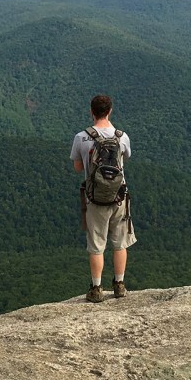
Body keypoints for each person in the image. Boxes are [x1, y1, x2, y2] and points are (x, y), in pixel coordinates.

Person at [70, 94, 136, 303]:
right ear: (110, 111)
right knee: (120, 242)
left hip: (94, 198)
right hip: (119, 196)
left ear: (91, 112)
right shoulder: (121, 136)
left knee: (97, 244)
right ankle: (119, 285)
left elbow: (77, 167)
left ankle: (96, 288)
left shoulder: (81, 137)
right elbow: (125, 159)